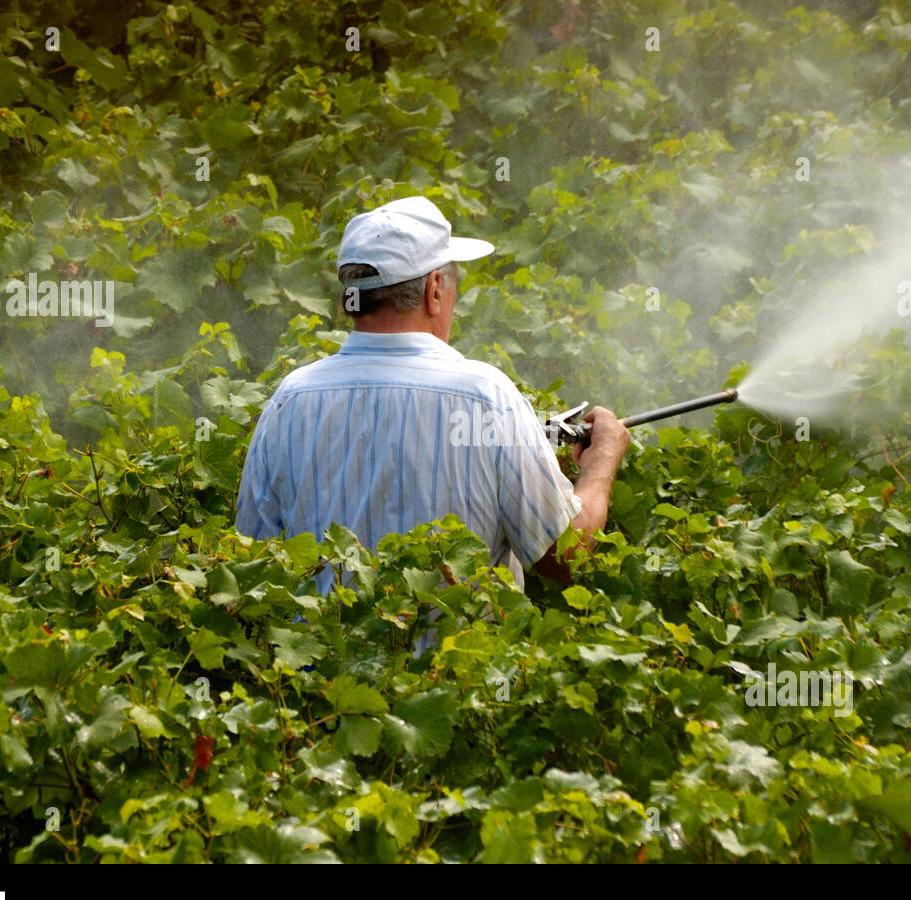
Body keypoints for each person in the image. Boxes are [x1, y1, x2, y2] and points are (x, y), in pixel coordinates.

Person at [235, 196, 630, 647]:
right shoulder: (487, 398)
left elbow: (253, 567)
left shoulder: (288, 401)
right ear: (435, 289)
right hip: (459, 683)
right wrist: (601, 462)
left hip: (316, 686)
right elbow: (565, 558)